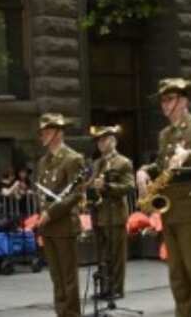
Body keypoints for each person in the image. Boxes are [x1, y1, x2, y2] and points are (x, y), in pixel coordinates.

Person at [136, 78, 191, 317]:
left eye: (170, 99)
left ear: (184, 100)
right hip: (171, 210)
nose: (166, 105)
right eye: (163, 101)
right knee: (177, 273)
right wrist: (145, 170)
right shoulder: (165, 134)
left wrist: (190, 154)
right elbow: (160, 165)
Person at [34, 113, 87, 317]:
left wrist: (51, 213)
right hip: (48, 226)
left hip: (64, 225)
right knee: (56, 276)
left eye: (47, 131)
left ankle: (71, 313)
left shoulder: (73, 158)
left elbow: (76, 194)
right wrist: (43, 214)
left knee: (68, 276)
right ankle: (61, 312)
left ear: (58, 132)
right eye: (42, 132)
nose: (43, 135)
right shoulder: (43, 161)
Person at [88, 125, 135, 303]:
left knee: (116, 255)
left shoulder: (123, 162)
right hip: (99, 214)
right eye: (98, 140)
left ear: (113, 141)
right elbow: (91, 184)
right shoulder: (96, 163)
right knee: (103, 255)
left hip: (115, 214)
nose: (100, 143)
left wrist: (107, 187)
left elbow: (129, 187)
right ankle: (104, 288)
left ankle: (116, 289)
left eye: (104, 139)